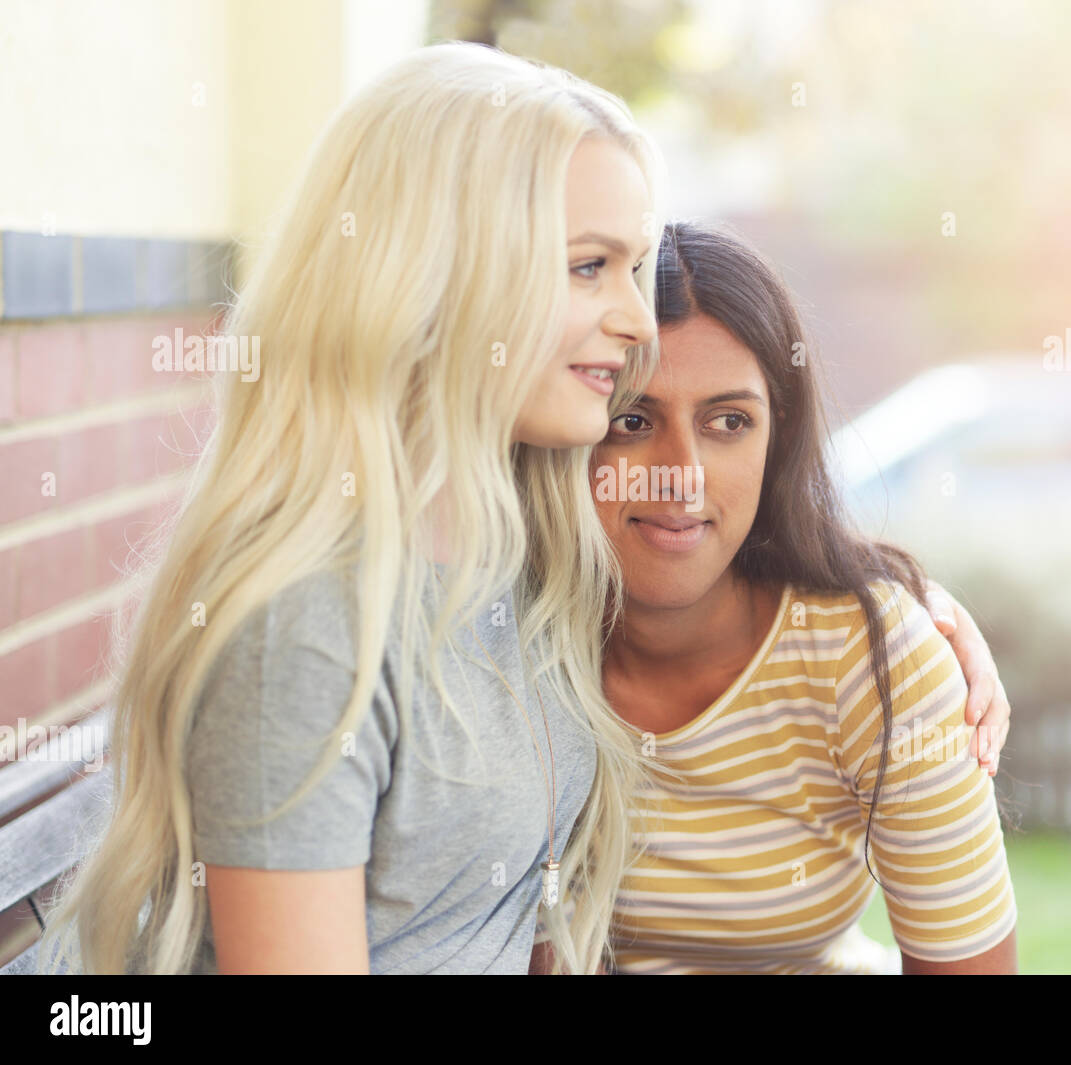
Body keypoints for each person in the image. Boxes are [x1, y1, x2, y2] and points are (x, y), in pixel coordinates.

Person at [33, 41, 665, 975]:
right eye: (587, 267)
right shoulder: (307, 633)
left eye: (636, 267)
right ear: (442, 272)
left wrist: (916, 626)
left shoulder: (524, 546)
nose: (639, 321)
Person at [582, 220, 1017, 973]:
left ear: (776, 443)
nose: (681, 474)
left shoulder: (874, 657)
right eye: (633, 419)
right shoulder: (503, 635)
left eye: (729, 421)